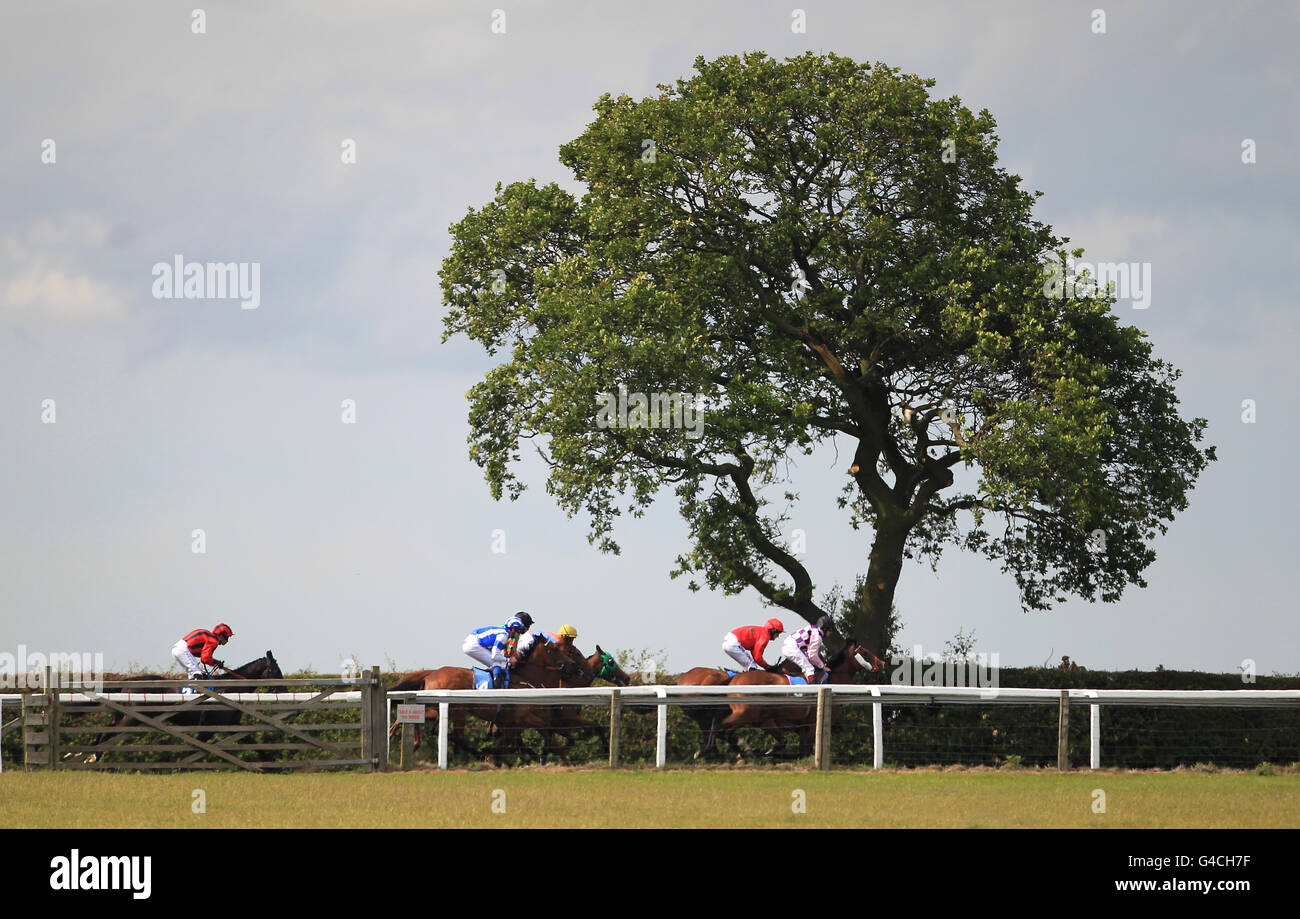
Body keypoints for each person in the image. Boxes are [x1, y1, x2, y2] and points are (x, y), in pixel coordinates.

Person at [463, 616, 527, 688]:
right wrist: (509, 660)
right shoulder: (504, 635)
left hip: (472, 642)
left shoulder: (503, 632)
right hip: (473, 645)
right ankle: (497, 687)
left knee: (500, 662)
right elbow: (495, 655)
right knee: (498, 663)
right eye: (518, 631)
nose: (519, 635)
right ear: (512, 629)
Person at [173, 623, 233, 690]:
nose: (227, 641)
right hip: (183, 650)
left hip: (177, 648)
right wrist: (216, 662)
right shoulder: (213, 641)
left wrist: (215, 662)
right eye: (226, 637)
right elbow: (205, 659)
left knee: (192, 674)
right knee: (197, 673)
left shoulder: (208, 635)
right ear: (221, 636)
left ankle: (191, 693)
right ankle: (197, 693)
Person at [781, 615, 835, 682]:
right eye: (830, 630)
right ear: (825, 628)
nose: (831, 632)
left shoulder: (813, 628)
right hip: (793, 647)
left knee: (806, 667)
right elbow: (812, 656)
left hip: (790, 645)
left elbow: (809, 654)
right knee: (810, 669)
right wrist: (823, 666)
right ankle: (811, 690)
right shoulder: (818, 636)